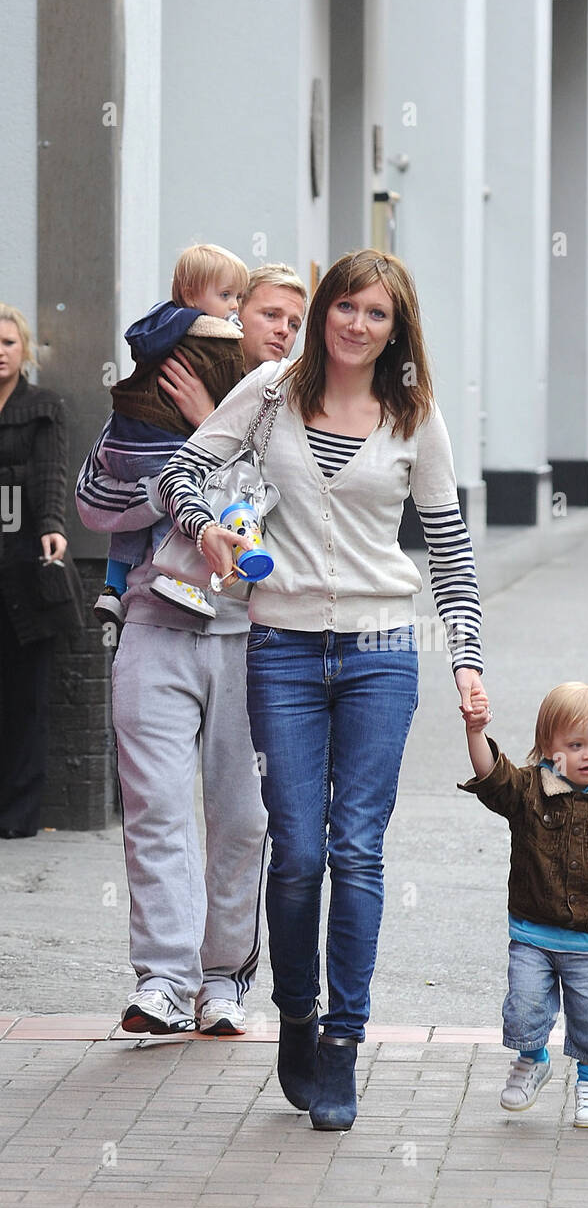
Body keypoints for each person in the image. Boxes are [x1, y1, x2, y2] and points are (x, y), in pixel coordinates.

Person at [159, 248, 489, 1130]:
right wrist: (206, 531)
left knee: (358, 851)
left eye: (376, 314)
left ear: (396, 327)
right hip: (285, 650)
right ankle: (296, 1016)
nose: (356, 325)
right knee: (298, 850)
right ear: (324, 312)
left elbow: (449, 551)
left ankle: (342, 1040)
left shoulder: (415, 415)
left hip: (384, 650)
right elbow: (179, 471)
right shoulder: (271, 391)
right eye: (345, 306)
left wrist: (467, 658)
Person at [75, 263, 307, 1038]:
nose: (279, 330)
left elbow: (285, 509)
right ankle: (163, 982)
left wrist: (210, 427)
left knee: (242, 819)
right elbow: (91, 502)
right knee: (155, 809)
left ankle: (223, 980)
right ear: (228, 321)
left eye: (292, 322)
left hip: (254, 639)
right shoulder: (151, 397)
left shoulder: (294, 412)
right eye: (266, 313)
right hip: (155, 625)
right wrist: (172, 459)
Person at [458, 682, 588, 1128]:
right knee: (525, 1006)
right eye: (576, 745)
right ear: (548, 747)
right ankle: (534, 1059)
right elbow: (493, 778)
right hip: (534, 932)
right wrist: (476, 732)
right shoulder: (530, 789)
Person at [94, 243, 249, 628]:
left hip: (122, 440)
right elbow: (239, 412)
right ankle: (176, 577)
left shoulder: (158, 325)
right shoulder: (217, 343)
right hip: (161, 444)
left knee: (133, 520)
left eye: (239, 297)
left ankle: (112, 587)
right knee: (177, 496)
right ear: (194, 296)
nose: (234, 307)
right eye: (226, 295)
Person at [0, 304, 83, 839]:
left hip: (25, 568)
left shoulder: (42, 406)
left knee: (24, 697)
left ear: (24, 350)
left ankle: (17, 815)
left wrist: (51, 523)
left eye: (8, 342)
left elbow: (52, 476)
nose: (0, 351)